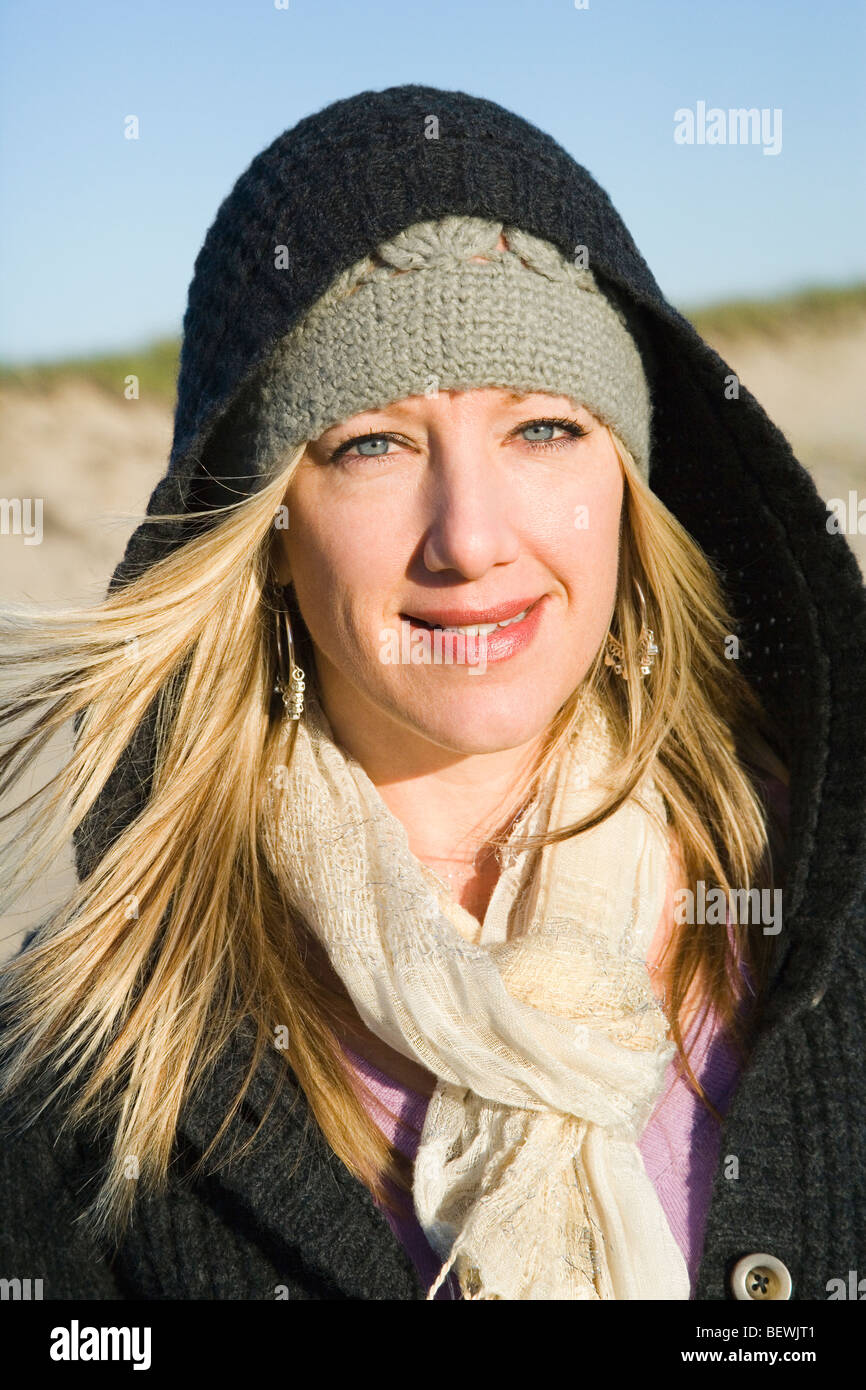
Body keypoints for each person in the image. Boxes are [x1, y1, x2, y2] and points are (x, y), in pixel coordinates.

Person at [0, 83, 864, 1302]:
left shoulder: (816, 909)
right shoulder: (90, 1056)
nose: (469, 540)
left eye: (544, 430)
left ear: (630, 482)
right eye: (371, 445)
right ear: (269, 528)